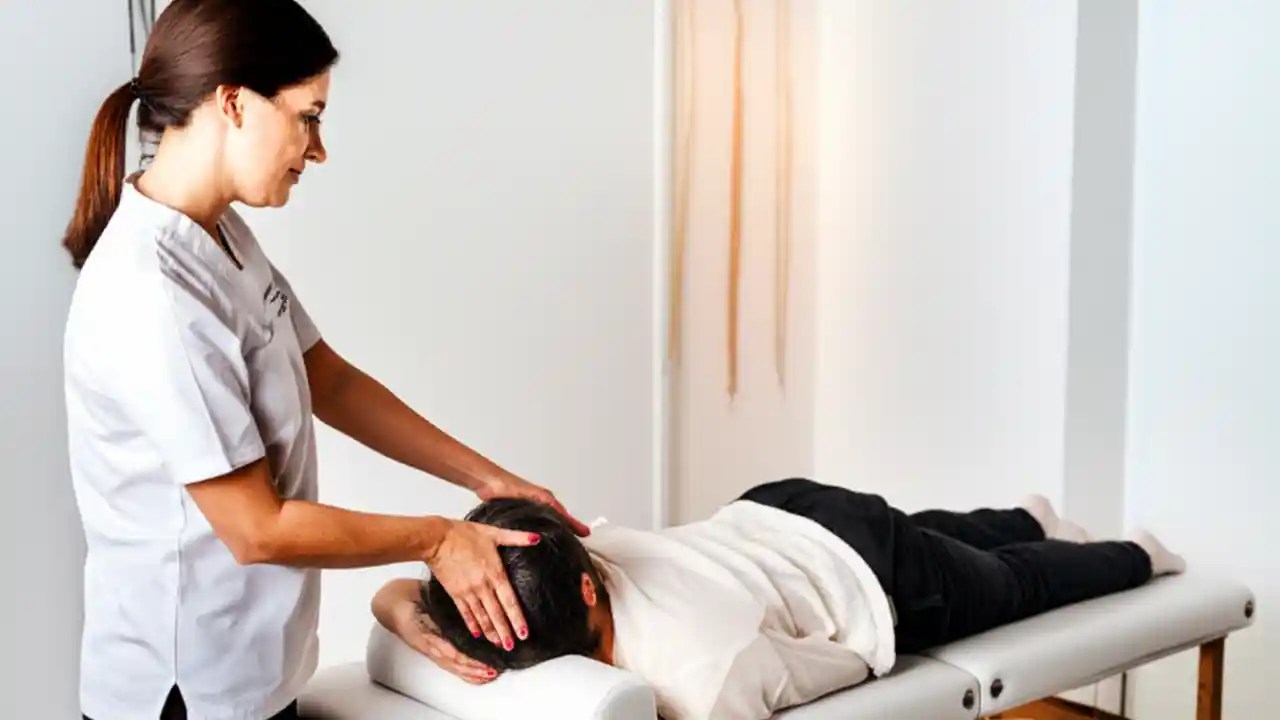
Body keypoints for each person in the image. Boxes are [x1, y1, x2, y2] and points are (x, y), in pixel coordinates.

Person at [61, 1, 588, 718]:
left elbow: (327, 377)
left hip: (255, 671)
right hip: (185, 691)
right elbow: (258, 529)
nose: (318, 149)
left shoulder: (220, 236)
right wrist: (436, 540)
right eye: (308, 116)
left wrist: (486, 478)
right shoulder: (152, 292)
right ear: (234, 103)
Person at [374, 478, 1187, 720]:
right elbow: (398, 596)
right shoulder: (544, 580)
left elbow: (843, 660)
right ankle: (1028, 512)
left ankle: (1136, 553)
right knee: (939, 532)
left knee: (1013, 582)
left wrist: (890, 644)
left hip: (865, 567)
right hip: (774, 509)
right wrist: (398, 605)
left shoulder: (704, 668)